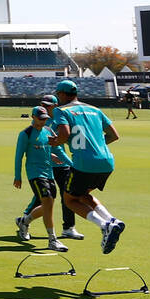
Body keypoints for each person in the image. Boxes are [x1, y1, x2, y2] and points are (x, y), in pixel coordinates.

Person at [50, 80, 125, 254]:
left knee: (70, 200)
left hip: (84, 163)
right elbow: (114, 135)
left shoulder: (61, 110)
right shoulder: (96, 110)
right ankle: (113, 220)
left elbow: (64, 134)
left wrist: (56, 142)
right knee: (83, 195)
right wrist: (97, 146)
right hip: (106, 162)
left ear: (61, 94)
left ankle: (105, 225)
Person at [13, 107, 67, 251]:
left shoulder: (49, 131)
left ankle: (24, 221)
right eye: (41, 118)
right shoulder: (26, 134)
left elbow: (56, 149)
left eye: (45, 118)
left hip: (49, 172)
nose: (43, 121)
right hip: (35, 173)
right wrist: (17, 177)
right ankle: (52, 240)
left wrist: (70, 163)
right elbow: (19, 156)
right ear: (33, 117)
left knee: (48, 205)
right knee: (47, 201)